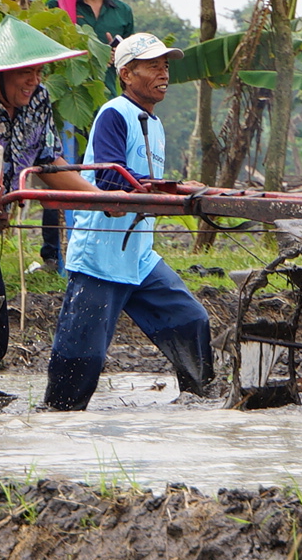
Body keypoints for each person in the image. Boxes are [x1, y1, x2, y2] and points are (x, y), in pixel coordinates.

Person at [45, 33, 213, 411]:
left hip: (138, 253)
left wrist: (179, 190)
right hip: (103, 253)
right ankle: (57, 419)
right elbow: (108, 179)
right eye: (153, 66)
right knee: (82, 358)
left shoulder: (156, 125)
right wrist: (168, 192)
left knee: (190, 320)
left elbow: (146, 181)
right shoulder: (114, 113)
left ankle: (200, 405)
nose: (164, 72)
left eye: (166, 65)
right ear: (126, 73)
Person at [0, 18, 98, 378]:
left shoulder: (38, 100)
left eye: (39, 72)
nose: (34, 81)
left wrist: (99, 197)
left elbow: (49, 162)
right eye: (26, 73)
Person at [41, 0, 137, 271]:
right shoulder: (59, 5)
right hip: (64, 102)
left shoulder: (122, 13)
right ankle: (51, 254)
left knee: (99, 175)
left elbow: (128, 61)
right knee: (59, 173)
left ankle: (95, 247)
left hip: (106, 103)